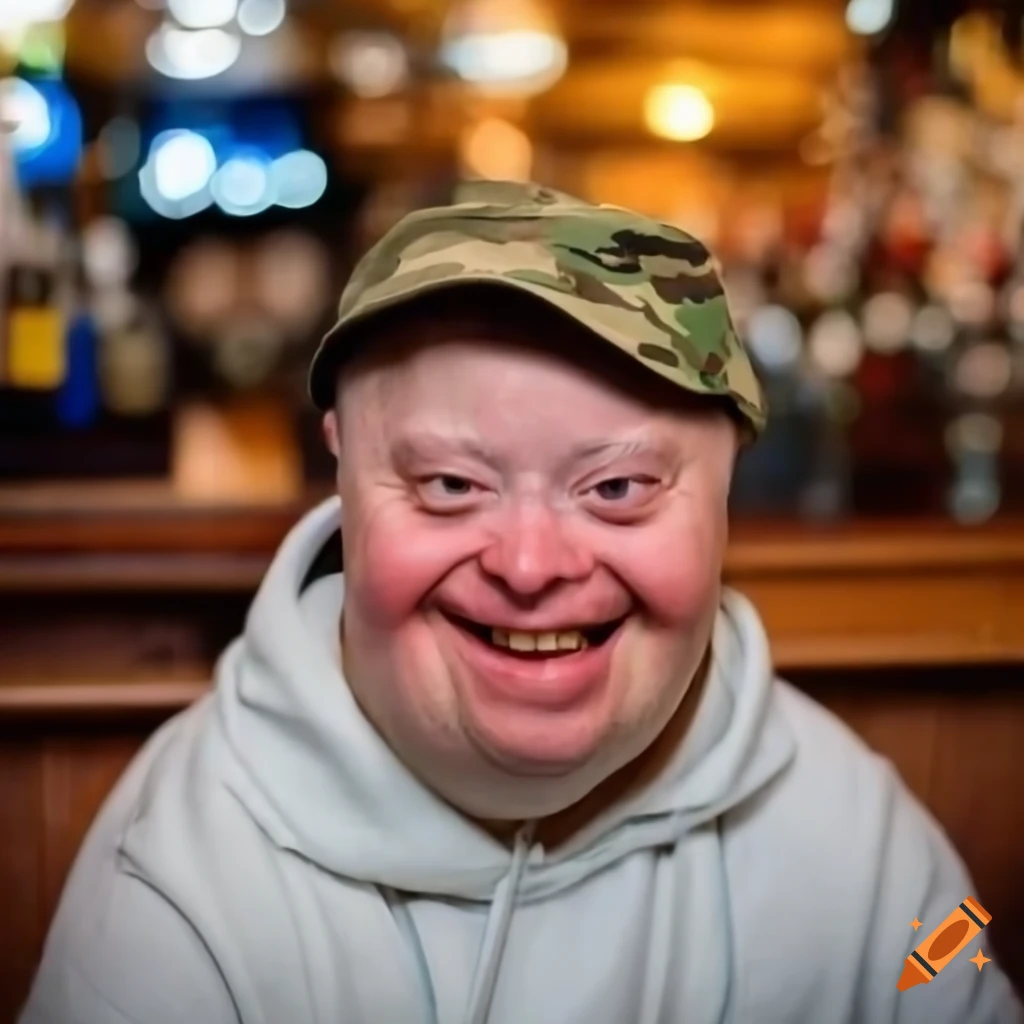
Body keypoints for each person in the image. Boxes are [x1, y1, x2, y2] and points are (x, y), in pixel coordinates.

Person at [20, 181, 1023, 1024]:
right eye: (450, 485)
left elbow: (959, 981)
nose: (532, 564)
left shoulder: (864, 838)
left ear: (727, 498)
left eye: (619, 488)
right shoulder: (175, 878)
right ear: (342, 470)